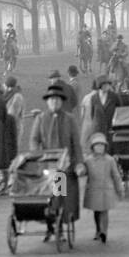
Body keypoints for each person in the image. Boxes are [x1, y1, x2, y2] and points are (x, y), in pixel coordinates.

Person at [30, 86, 84, 239]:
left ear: (61, 102)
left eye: (57, 100)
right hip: (47, 165)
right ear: (47, 102)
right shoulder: (41, 118)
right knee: (46, 197)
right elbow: (34, 140)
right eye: (51, 99)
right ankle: (49, 226)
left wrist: (79, 163)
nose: (54, 102)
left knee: (59, 196)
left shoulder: (69, 119)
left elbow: (76, 144)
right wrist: (37, 155)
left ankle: (59, 227)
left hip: (64, 165)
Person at [83, 132, 125, 244]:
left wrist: (120, 189)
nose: (99, 148)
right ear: (93, 147)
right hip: (94, 189)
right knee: (97, 211)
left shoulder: (110, 160)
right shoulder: (88, 161)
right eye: (97, 145)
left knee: (104, 211)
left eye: (102, 145)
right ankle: (98, 230)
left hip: (106, 190)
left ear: (105, 147)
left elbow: (116, 176)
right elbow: (84, 173)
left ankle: (104, 232)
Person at [3, 75, 25, 156]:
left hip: (14, 128)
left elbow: (12, 115)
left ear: (8, 86)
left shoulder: (17, 97)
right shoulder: (7, 95)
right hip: (5, 127)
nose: (3, 86)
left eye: (4, 84)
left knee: (12, 152)